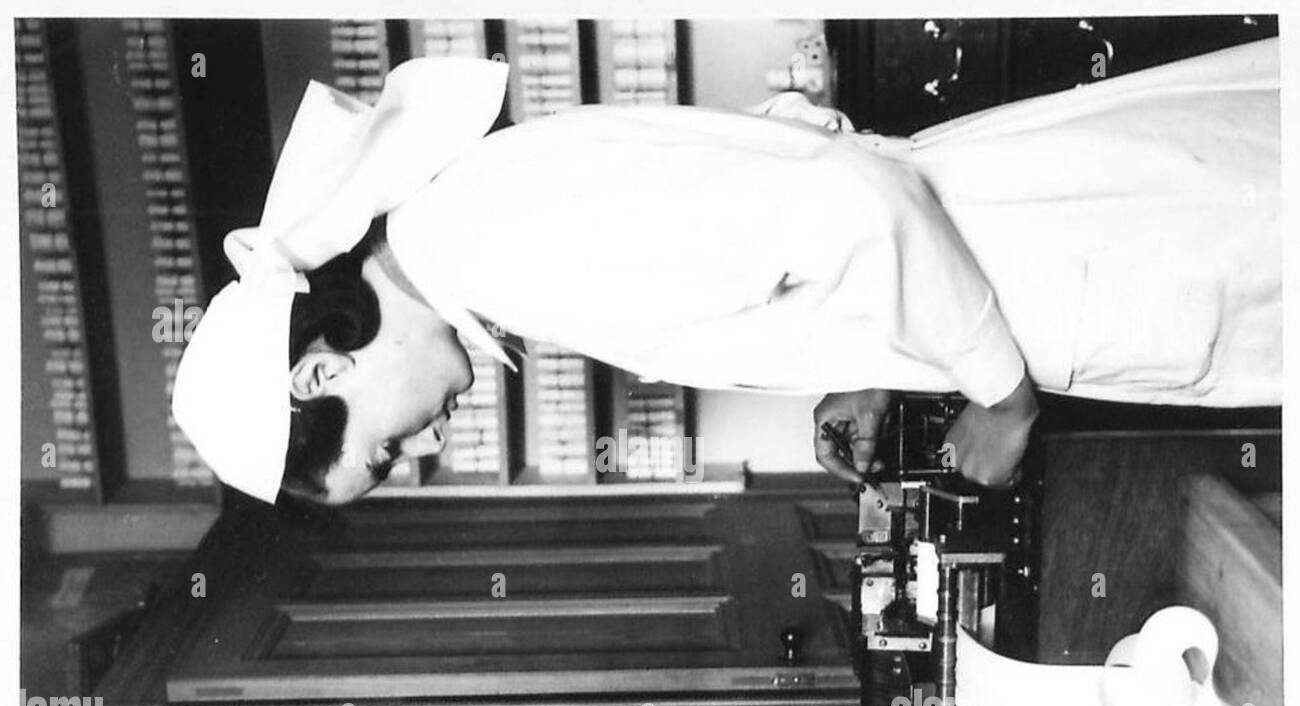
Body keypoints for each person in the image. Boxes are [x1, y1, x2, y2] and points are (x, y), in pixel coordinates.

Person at [172, 38, 1279, 505]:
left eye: (386, 446)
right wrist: (865, 360)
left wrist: (1000, 397)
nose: (427, 441)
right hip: (1039, 245)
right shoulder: (469, 232)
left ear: (320, 371)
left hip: (1071, 258)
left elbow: (852, 200)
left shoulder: (511, 249)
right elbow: (790, 182)